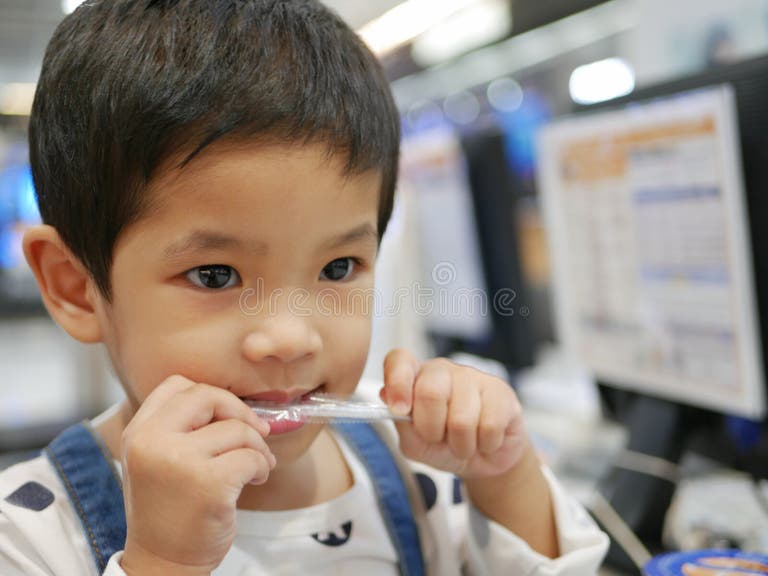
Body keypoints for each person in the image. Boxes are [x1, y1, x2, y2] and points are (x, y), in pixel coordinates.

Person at [0, 1, 608, 574]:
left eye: (338, 268)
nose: (290, 339)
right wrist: (165, 562)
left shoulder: (421, 472)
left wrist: (503, 477)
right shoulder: (30, 530)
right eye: (215, 275)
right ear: (77, 288)